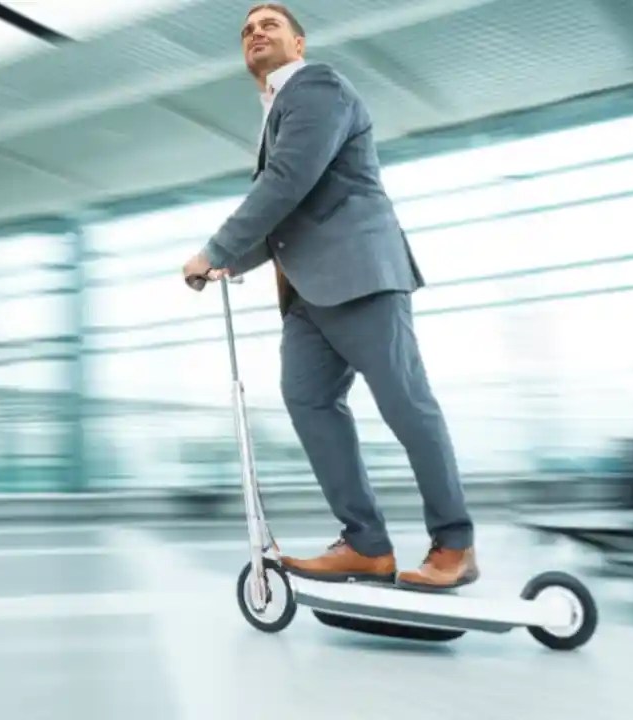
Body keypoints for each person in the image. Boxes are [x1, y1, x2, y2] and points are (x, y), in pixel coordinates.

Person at [182, 3, 478, 591]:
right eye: (246, 31)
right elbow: (289, 213)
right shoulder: (275, 111)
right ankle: (365, 545)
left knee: (405, 404)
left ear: (298, 42)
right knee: (309, 401)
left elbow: (288, 180)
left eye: (269, 25)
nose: (255, 33)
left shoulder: (317, 86)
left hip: (362, 276)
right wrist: (226, 261)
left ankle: (455, 543)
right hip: (307, 296)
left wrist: (216, 247)